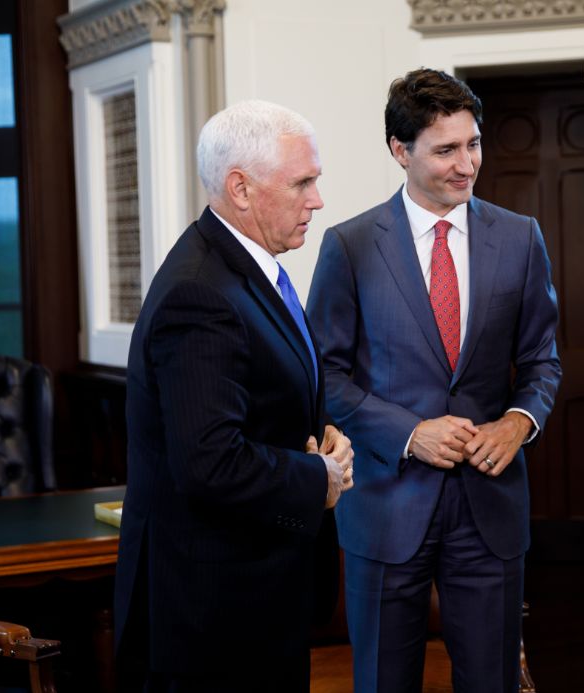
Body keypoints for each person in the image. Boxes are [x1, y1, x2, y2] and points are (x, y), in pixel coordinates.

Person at [306, 68, 561, 693]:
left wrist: (518, 421)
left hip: (491, 509)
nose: (466, 163)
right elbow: (321, 378)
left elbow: (542, 362)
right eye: (446, 149)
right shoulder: (351, 246)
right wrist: (409, 432)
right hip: (386, 507)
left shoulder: (521, 238)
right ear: (401, 151)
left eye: (473, 143)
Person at [114, 100, 354, 692]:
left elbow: (271, 390)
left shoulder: (252, 265)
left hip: (258, 602)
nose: (317, 200)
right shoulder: (200, 293)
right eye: (303, 182)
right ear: (240, 188)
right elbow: (208, 461)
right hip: (212, 623)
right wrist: (316, 477)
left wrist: (322, 431)